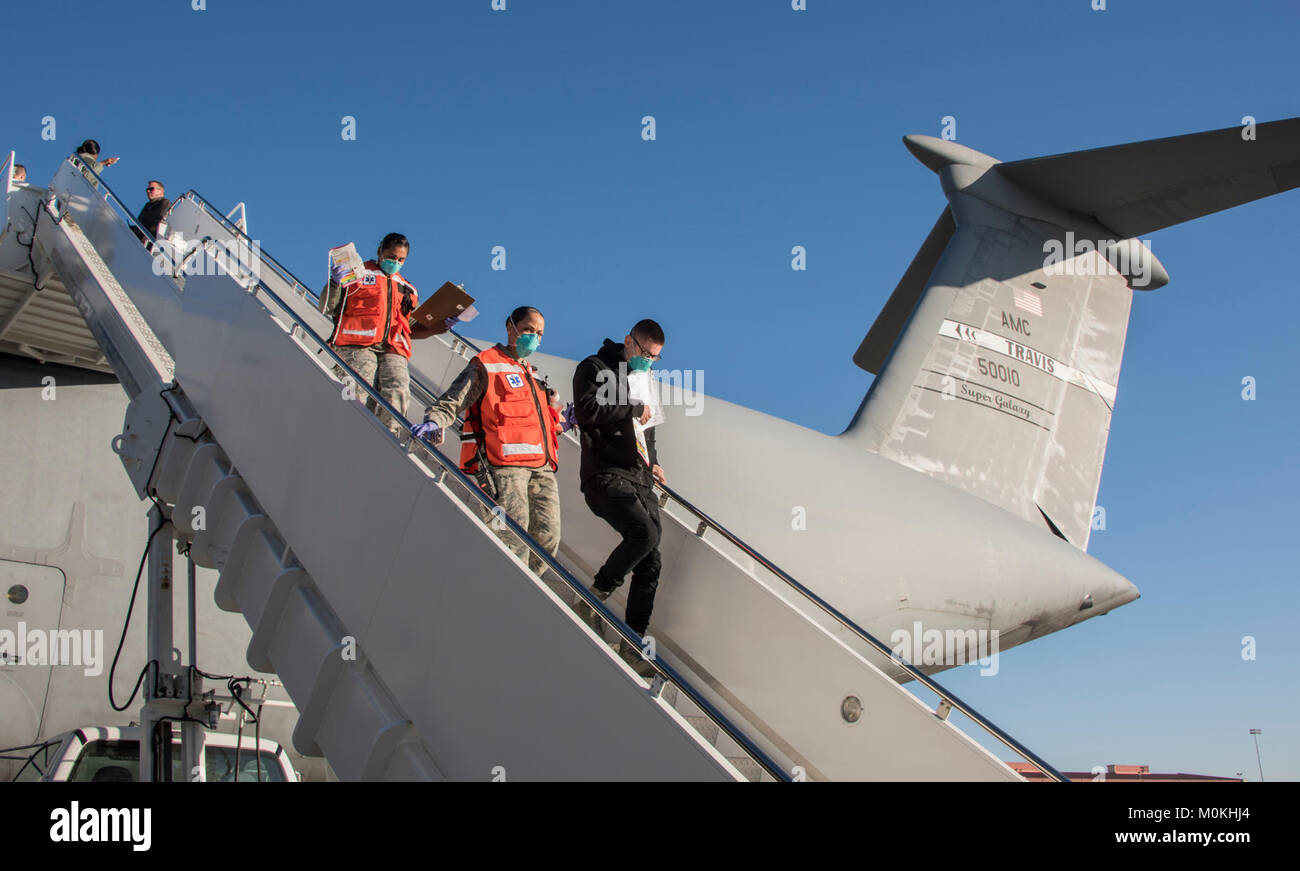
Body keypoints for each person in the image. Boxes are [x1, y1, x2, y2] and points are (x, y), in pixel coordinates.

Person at [413, 306, 570, 574]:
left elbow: (543, 424)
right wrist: (434, 421)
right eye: (528, 330)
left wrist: (566, 418)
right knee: (511, 537)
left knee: (548, 538)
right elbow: (454, 399)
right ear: (511, 327)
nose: (534, 338)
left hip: (541, 468)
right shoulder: (486, 363)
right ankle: (503, 591)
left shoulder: (533, 376)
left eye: (539, 334)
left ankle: (527, 596)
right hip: (504, 467)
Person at [571, 319, 667, 673]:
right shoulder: (595, 368)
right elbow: (587, 410)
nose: (648, 362)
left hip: (640, 476)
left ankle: (631, 644)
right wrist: (632, 409)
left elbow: (649, 429)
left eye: (655, 358)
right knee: (645, 534)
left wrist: (654, 463)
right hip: (606, 473)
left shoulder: (646, 380)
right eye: (645, 354)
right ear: (629, 341)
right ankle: (592, 600)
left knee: (652, 560)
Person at [321, 232, 443, 433]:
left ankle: (390, 436)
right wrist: (335, 283)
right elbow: (327, 306)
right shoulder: (358, 273)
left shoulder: (408, 289)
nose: (395, 262)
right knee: (358, 388)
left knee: (399, 388)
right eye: (392, 257)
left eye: (401, 259)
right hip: (358, 344)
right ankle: (348, 431)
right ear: (380, 251)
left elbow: (412, 326)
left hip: (393, 348)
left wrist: (439, 326)